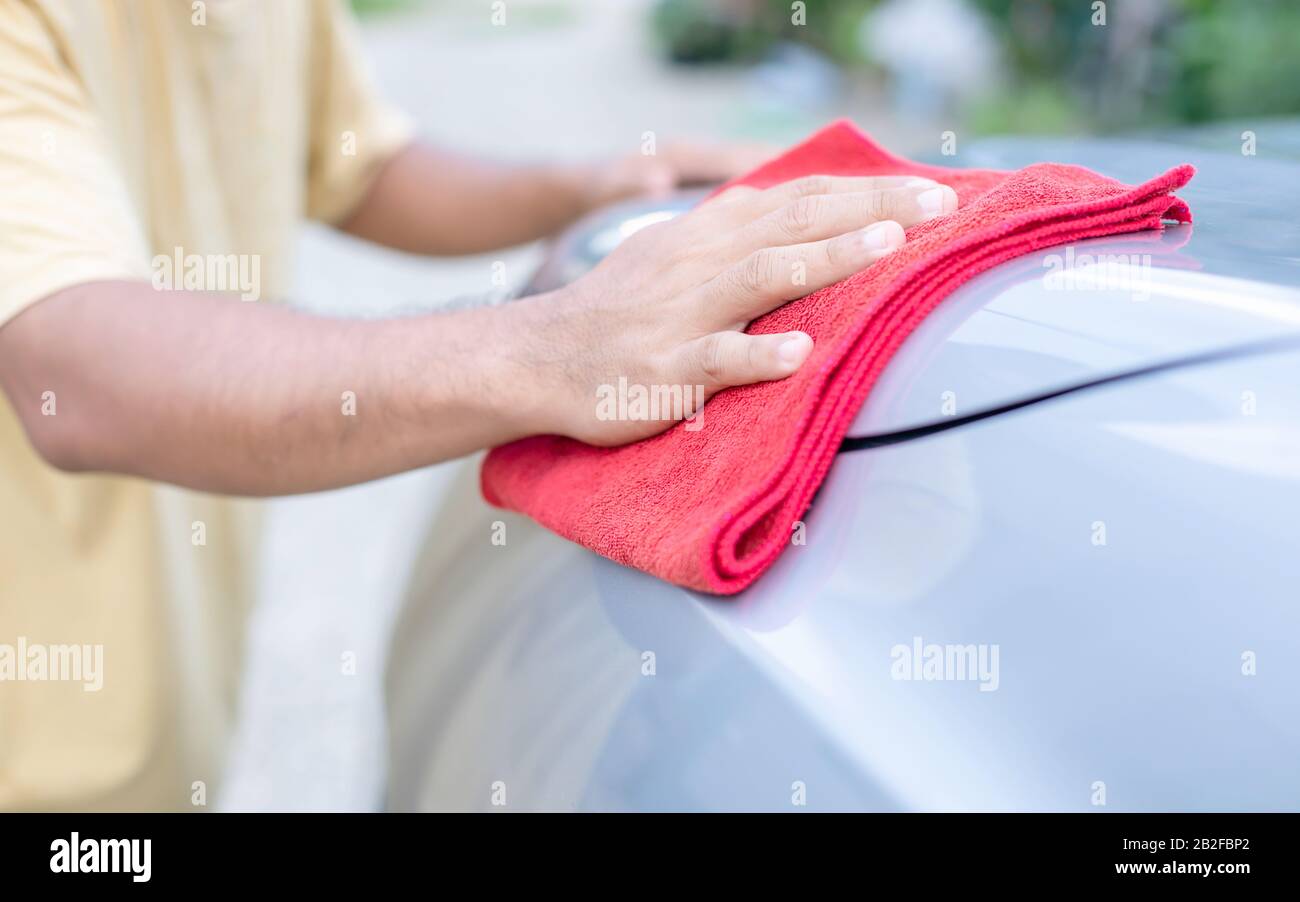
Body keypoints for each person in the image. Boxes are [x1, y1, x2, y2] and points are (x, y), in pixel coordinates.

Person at [0, 0, 957, 810]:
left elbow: (356, 164)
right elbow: (78, 373)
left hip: (164, 702)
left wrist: (584, 188)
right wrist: (562, 343)